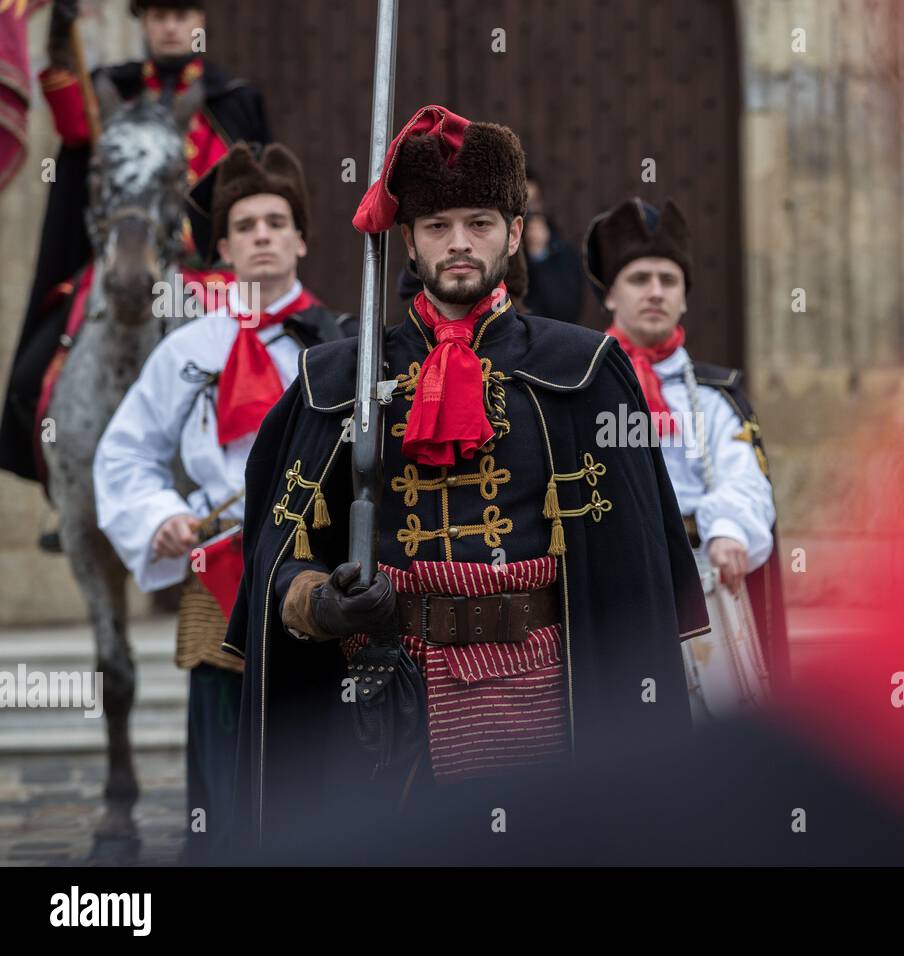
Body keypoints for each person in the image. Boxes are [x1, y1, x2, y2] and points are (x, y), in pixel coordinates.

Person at [221, 104, 707, 855]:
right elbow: (277, 550)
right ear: (407, 241)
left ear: (514, 233)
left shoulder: (582, 372)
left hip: (539, 701)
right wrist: (321, 602)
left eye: (480, 222)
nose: (458, 244)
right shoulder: (335, 380)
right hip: (380, 703)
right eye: (437, 225)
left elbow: (634, 568)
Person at [92, 142, 352, 863]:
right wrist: (159, 516)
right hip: (220, 574)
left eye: (276, 221)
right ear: (223, 247)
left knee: (313, 749)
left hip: (315, 574)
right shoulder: (189, 348)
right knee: (224, 765)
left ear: (301, 237)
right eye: (244, 225)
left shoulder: (346, 346)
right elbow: (124, 452)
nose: (262, 235)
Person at [1, 0, 271, 493]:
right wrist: (61, 43)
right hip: (123, 264)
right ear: (143, 23)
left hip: (210, 275)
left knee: (275, 374)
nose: (170, 27)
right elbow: (75, 125)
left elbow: (256, 194)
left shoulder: (234, 100)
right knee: (29, 378)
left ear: (200, 22)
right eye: (158, 17)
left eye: (181, 16)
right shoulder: (109, 87)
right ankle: (67, 490)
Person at [584, 197, 790, 709]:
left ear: (684, 298)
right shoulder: (579, 388)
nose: (655, 292)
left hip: (705, 581)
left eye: (668, 280)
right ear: (610, 295)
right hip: (614, 592)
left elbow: (744, 477)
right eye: (639, 279)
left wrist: (729, 531)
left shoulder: (719, 396)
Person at [521, 167, 584, 323]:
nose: (527, 212)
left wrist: (540, 257)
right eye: (521, 205)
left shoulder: (563, 253)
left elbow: (566, 313)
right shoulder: (497, 252)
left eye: (533, 203)